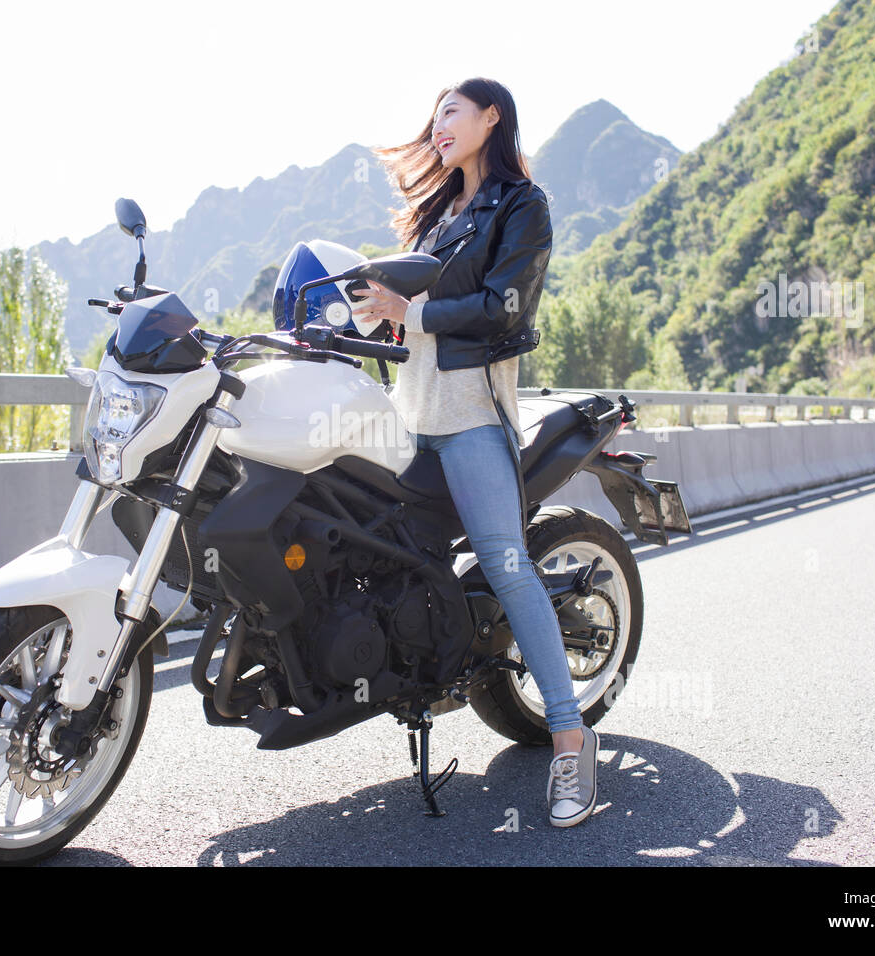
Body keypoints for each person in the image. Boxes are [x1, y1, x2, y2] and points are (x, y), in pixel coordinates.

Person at [357, 78, 599, 827]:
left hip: (470, 417)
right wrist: (371, 319)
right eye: (432, 117)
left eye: (452, 112)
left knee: (505, 559)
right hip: (408, 416)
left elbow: (506, 307)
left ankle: (568, 736)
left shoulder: (523, 206)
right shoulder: (435, 216)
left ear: (492, 116)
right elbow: (407, 318)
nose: (438, 126)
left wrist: (413, 311)